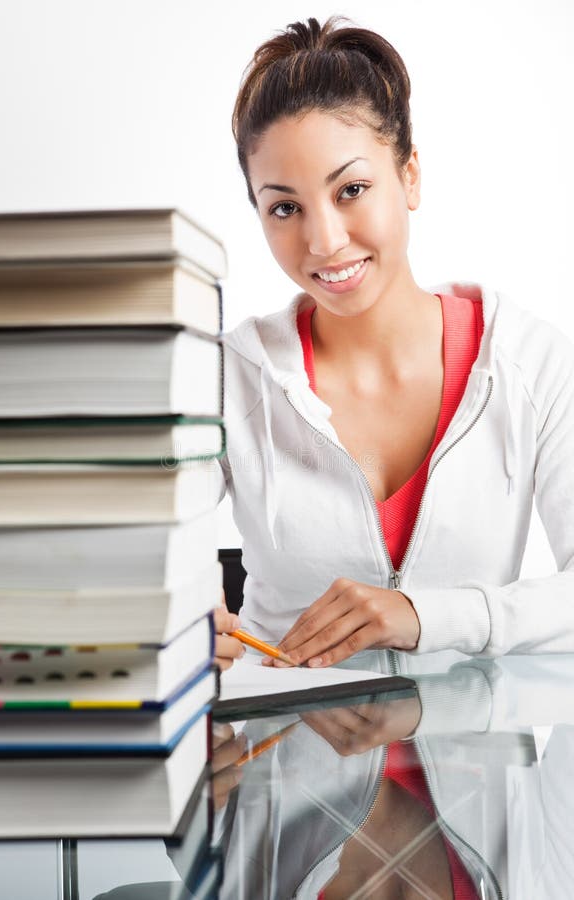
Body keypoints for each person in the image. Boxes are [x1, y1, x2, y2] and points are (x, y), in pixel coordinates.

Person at [213, 15, 574, 671]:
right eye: (284, 207)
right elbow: (124, 549)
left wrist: (424, 618)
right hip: (285, 760)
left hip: (475, 760)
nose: (323, 241)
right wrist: (176, 624)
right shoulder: (230, 376)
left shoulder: (531, 363)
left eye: (351, 190)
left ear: (409, 177)